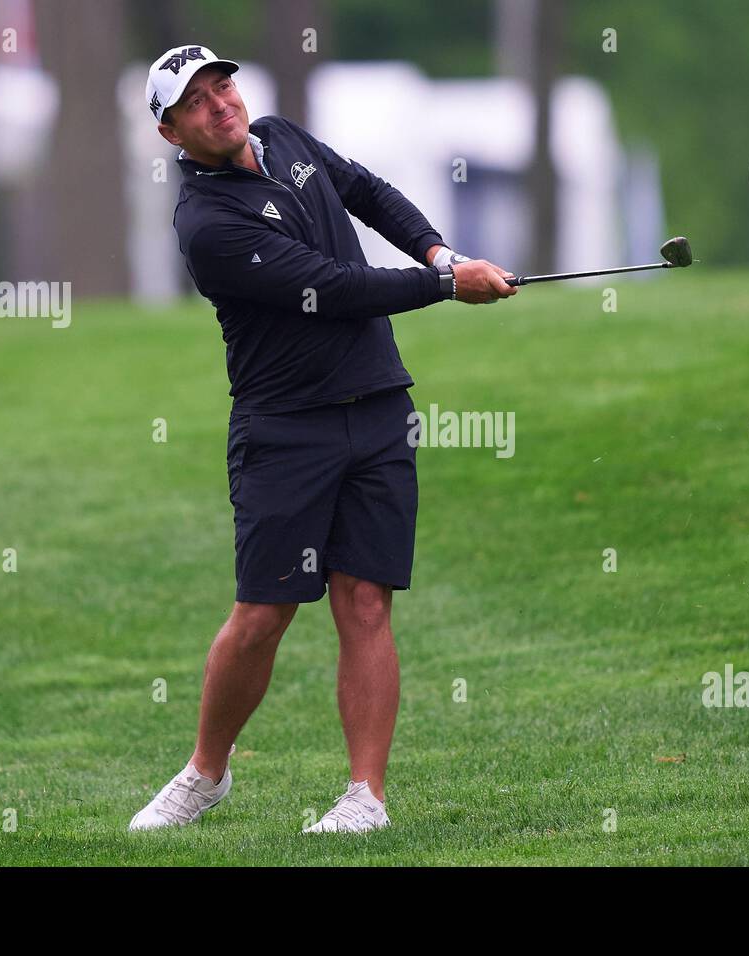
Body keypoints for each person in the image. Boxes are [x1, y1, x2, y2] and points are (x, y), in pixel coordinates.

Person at [129, 44, 519, 834]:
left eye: (221, 85)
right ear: (173, 133)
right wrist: (447, 285)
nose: (219, 104)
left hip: (375, 403)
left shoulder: (285, 137)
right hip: (285, 429)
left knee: (366, 600)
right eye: (195, 103)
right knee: (264, 612)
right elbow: (328, 288)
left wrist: (440, 251)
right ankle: (207, 773)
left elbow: (367, 192)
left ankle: (365, 798)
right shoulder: (206, 223)